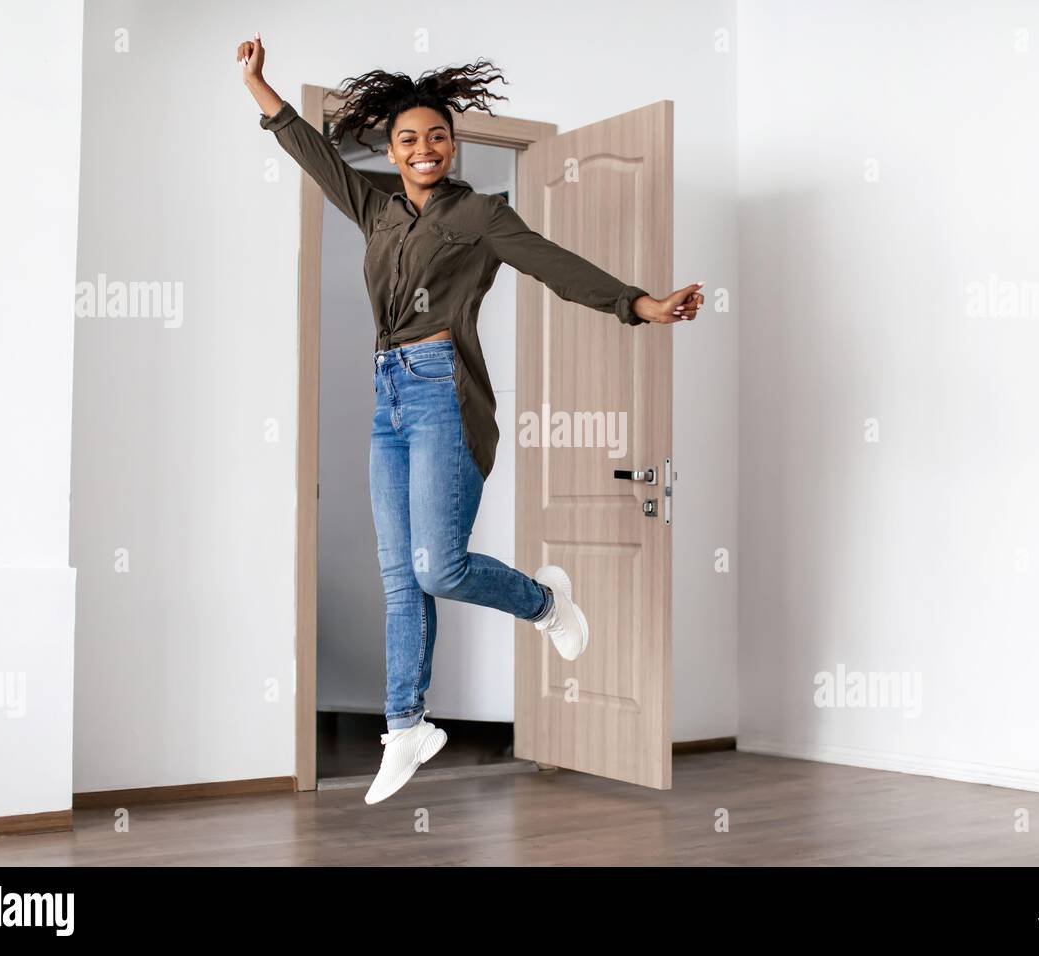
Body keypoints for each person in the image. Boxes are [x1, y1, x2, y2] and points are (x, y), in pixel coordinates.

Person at [237, 34, 703, 804]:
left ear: (454, 146)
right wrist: (259, 86)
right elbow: (311, 153)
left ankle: (545, 601)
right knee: (400, 579)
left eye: (438, 137)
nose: (425, 149)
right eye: (409, 139)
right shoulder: (376, 211)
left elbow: (557, 265)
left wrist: (640, 305)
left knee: (437, 567)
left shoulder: (482, 214)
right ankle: (406, 725)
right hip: (387, 394)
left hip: (440, 392)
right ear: (391, 148)